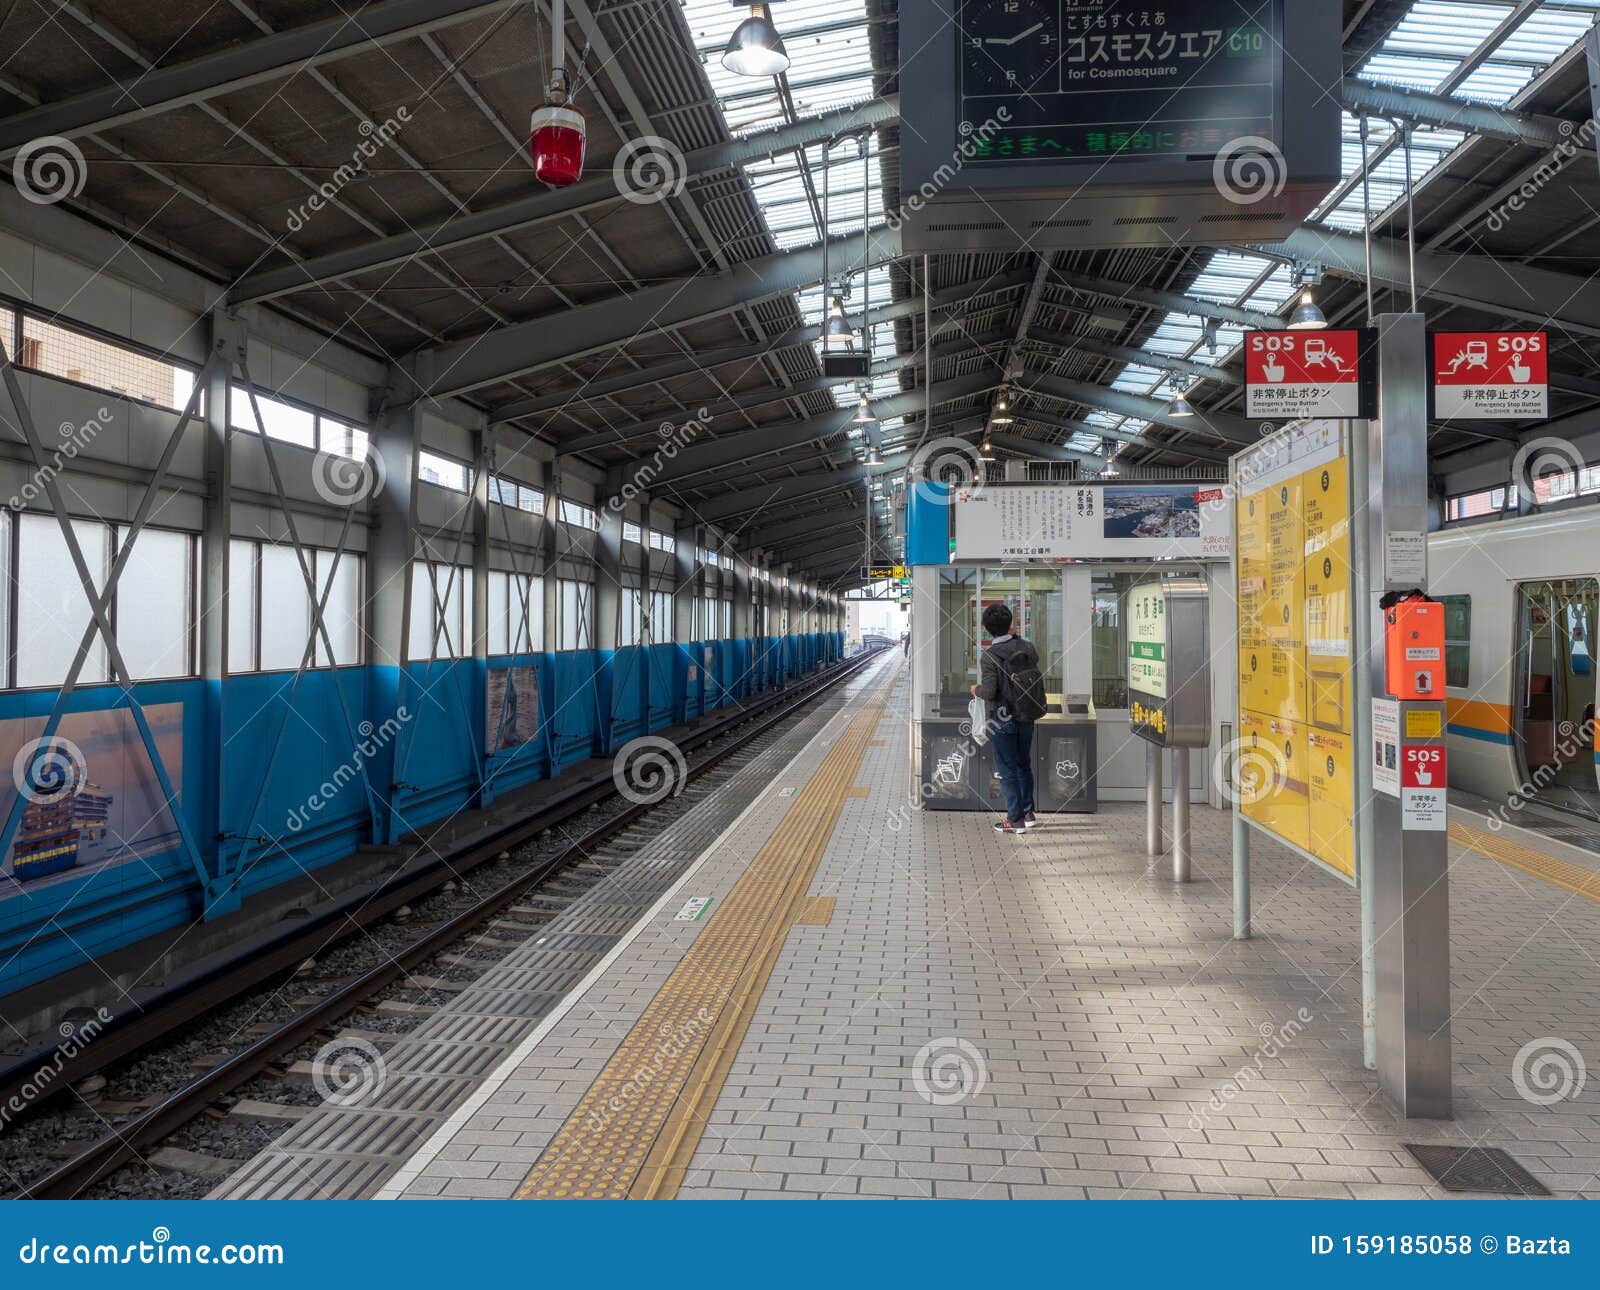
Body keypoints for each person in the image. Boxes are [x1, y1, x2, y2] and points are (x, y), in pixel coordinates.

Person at [971, 602, 1046, 835]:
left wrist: (975, 689)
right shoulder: (1028, 647)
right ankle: (1028, 813)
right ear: (1011, 624)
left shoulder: (990, 656)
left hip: (1002, 720)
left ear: (985, 627)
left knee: (1007, 770)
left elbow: (990, 692)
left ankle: (1014, 820)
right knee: (1024, 764)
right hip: (1027, 715)